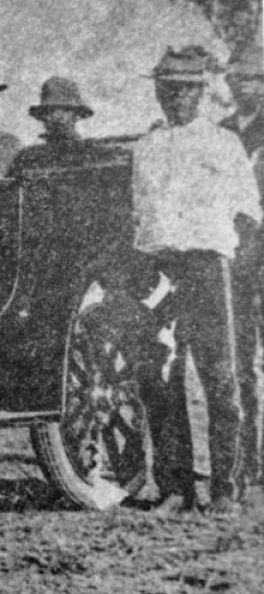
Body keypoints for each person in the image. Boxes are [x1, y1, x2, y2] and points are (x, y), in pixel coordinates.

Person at [134, 46, 262, 514]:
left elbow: (249, 216)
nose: (176, 98)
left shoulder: (223, 144)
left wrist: (234, 271)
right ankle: (175, 486)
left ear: (202, 91)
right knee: (161, 376)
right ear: (157, 91)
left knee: (220, 377)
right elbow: (139, 217)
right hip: (161, 269)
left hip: (211, 267)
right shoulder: (145, 148)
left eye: (186, 89)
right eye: (168, 89)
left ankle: (225, 488)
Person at [220, 39, 264, 497]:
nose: (243, 85)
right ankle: (249, 461)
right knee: (241, 366)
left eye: (252, 77)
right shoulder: (222, 132)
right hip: (239, 260)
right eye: (236, 78)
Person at [9, 76, 124, 173]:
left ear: (76, 114)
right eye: (49, 111)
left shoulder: (95, 155)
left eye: (64, 110)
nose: (55, 116)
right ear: (43, 117)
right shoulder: (28, 158)